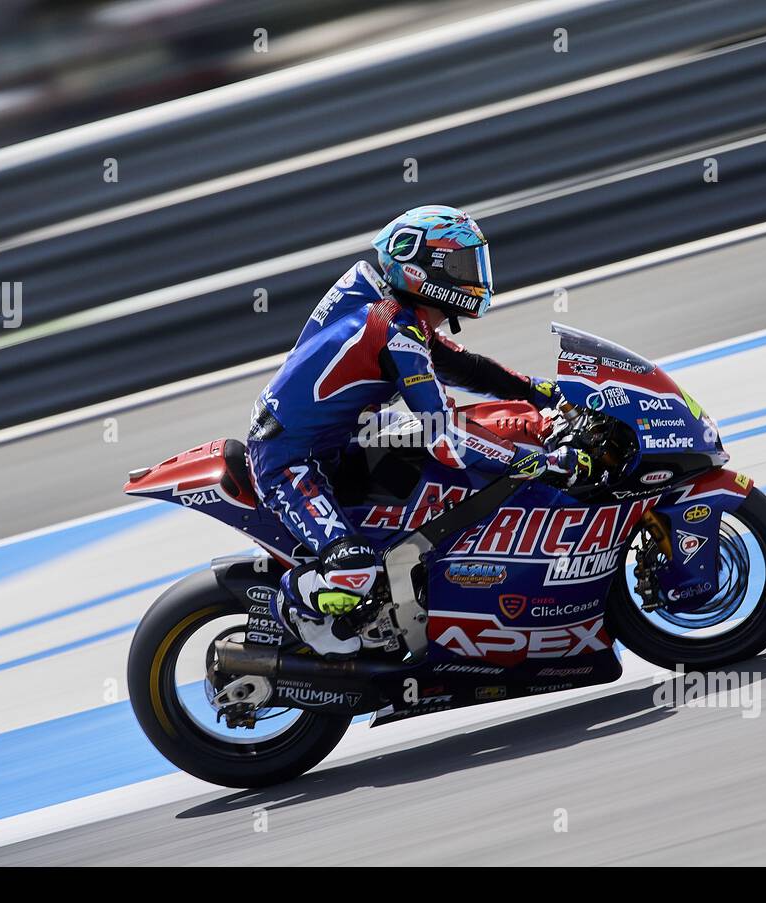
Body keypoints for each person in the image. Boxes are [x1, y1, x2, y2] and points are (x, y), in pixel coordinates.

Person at [247, 205, 587, 655]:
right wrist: (536, 462)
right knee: (354, 569)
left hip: (340, 442)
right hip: (291, 463)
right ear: (421, 268)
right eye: (462, 265)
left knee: (435, 489)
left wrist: (544, 392)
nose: (475, 277)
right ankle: (288, 604)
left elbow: (467, 368)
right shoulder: (392, 327)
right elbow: (443, 435)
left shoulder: (396, 315)